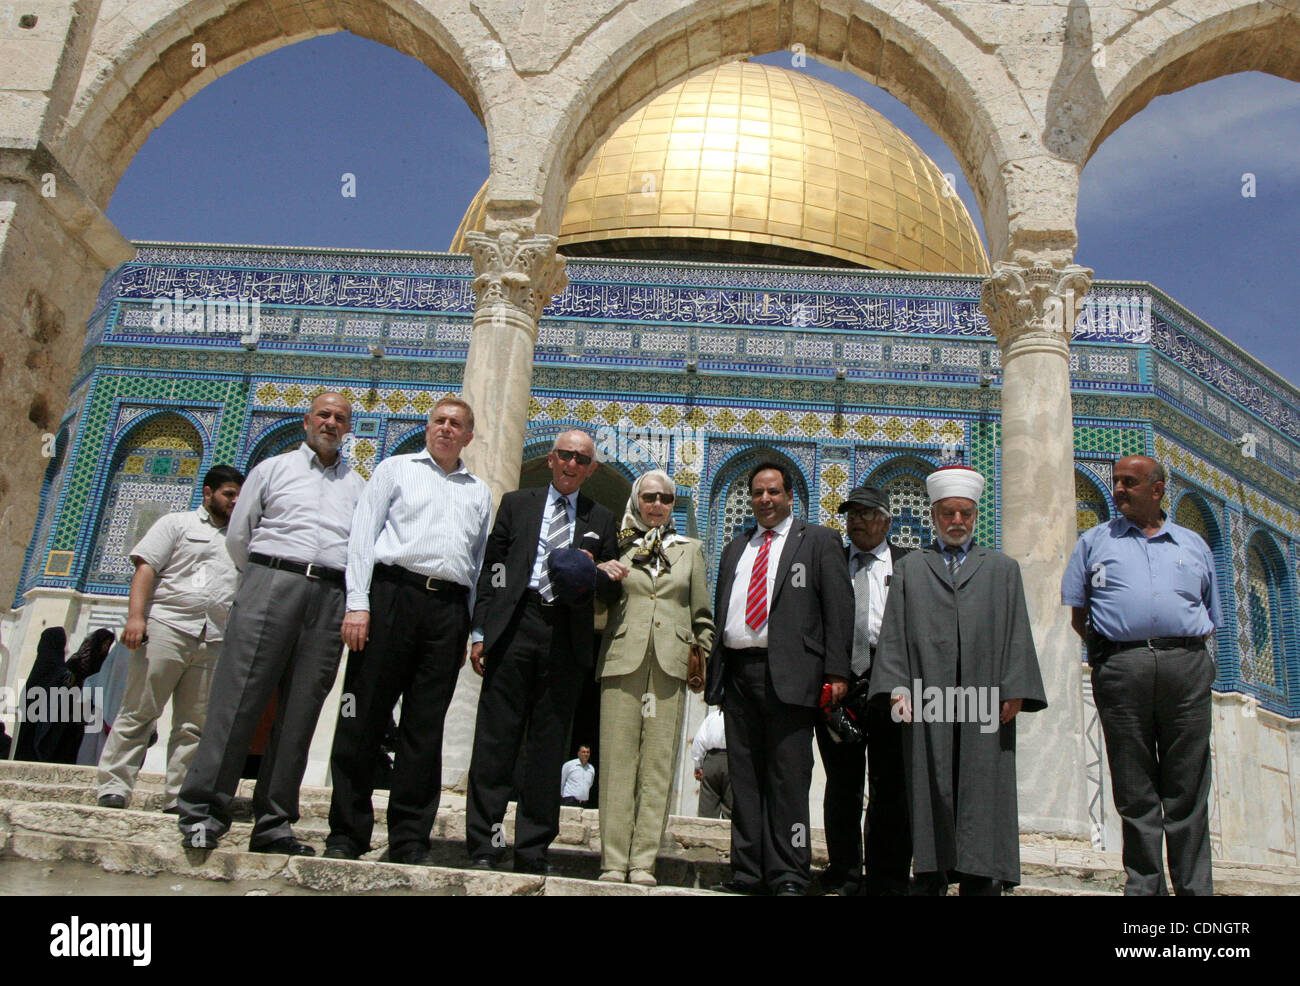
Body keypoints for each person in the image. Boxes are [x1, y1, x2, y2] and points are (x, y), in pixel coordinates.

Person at [177, 392, 365, 855]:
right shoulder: (272, 469)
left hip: (329, 596)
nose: (331, 423)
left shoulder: (358, 485)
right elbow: (240, 535)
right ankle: (203, 811)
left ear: (348, 428)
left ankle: (275, 821)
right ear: (307, 421)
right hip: (271, 580)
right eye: (323, 414)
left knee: (301, 712)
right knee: (237, 699)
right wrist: (265, 578)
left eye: (340, 418)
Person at [323, 397, 491, 864]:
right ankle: (347, 832)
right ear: (427, 426)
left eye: (455, 424)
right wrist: (359, 603)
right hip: (391, 596)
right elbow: (363, 536)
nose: (445, 429)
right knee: (364, 716)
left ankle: (410, 836)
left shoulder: (478, 491)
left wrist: (470, 628)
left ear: (468, 436)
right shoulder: (395, 469)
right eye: (439, 421)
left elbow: (476, 564)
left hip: (447, 608)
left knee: (424, 727)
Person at [869, 464, 1046, 895]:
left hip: (985, 698)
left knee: (984, 790)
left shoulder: (1002, 569)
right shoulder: (912, 568)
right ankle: (931, 877)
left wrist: (1016, 689)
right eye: (948, 513)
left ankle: (982, 882)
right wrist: (896, 688)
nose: (957, 522)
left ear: (975, 515)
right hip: (928, 696)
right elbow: (893, 631)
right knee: (930, 787)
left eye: (965, 513)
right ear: (933, 516)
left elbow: (1017, 632)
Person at [1062, 455, 1221, 896]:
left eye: (1129, 482)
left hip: (1185, 667)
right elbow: (1080, 613)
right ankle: (1144, 887)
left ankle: (1193, 889)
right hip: (1122, 668)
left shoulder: (1193, 545)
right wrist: (1109, 657)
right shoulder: (1094, 542)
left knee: (1187, 786)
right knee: (1134, 787)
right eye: (1115, 481)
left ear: (1157, 489)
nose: (1117, 490)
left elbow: (1210, 612)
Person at [464, 430, 619, 874]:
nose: (572, 464)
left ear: (591, 469)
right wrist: (481, 630)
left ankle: (532, 849)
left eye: (582, 459)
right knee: (496, 739)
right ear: (552, 459)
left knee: (548, 747)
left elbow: (608, 588)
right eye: (566, 455)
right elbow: (493, 567)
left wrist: (600, 571)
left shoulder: (601, 518)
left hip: (565, 634)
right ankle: (486, 843)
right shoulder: (518, 504)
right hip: (516, 624)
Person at [705, 461, 854, 895]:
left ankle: (789, 873)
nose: (765, 500)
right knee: (745, 779)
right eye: (757, 493)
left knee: (789, 779)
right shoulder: (737, 548)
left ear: (790, 496)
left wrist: (836, 670)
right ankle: (747, 872)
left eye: (773, 492)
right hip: (739, 672)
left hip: (792, 674)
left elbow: (838, 608)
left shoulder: (818, 541)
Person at [96, 465, 244, 811]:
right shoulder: (176, 524)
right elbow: (146, 567)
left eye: (239, 495)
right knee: (139, 711)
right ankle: (115, 785)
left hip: (213, 636)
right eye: (228, 494)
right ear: (208, 493)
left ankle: (179, 795)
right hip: (168, 627)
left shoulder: (241, 539)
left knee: (194, 725)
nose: (235, 502)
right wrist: (136, 617)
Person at [593, 469, 715, 885]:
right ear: (636, 500)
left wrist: (701, 659)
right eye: (650, 497)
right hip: (623, 659)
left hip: (669, 665)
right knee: (616, 763)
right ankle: (613, 861)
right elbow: (599, 606)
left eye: (665, 498)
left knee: (658, 765)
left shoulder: (690, 550)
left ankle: (644, 861)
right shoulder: (617, 546)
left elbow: (702, 616)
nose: (657, 505)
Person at [814, 485, 912, 896]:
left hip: (893, 683)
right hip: (841, 683)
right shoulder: (831, 562)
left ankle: (887, 878)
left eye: (866, 513)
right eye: (851, 513)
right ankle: (845, 872)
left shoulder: (910, 564)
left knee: (891, 783)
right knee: (843, 783)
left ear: (886, 521)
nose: (856, 520)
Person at [15, 627, 115, 764]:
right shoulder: (66, 669)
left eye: (107, 645)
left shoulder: (54, 670)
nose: (105, 648)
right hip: (59, 722)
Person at [691, 706, 730, 818]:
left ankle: (705, 832)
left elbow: (699, 741)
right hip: (732, 761)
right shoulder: (739, 717)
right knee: (731, 808)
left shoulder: (711, 718)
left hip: (712, 761)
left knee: (707, 805)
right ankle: (728, 834)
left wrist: (698, 765)